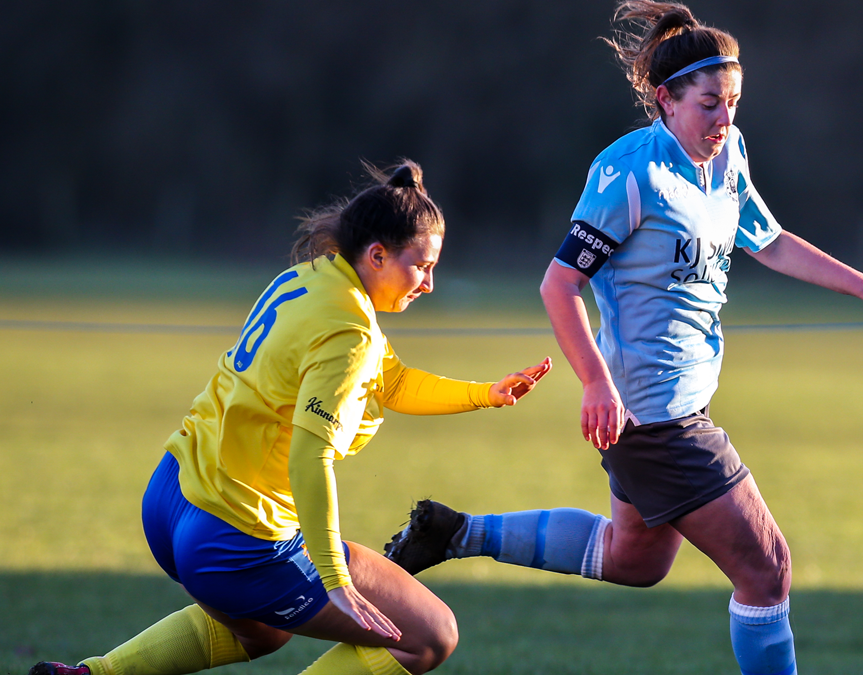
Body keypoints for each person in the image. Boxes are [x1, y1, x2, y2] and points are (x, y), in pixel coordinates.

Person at [383, 3, 863, 675]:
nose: (724, 119)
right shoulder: (630, 174)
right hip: (655, 416)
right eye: (709, 104)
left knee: (634, 558)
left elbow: (771, 241)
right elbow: (558, 285)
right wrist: (595, 381)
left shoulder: (727, 155)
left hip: (679, 405)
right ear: (665, 100)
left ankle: (456, 530)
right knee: (767, 571)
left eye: (733, 103)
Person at [31, 159, 552, 675]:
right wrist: (334, 578)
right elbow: (310, 454)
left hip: (172, 497)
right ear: (377, 254)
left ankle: (91, 674)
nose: (430, 284)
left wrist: (486, 393)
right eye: (422, 266)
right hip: (235, 537)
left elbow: (392, 381)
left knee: (262, 632)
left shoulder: (308, 281)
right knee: (432, 635)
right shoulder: (350, 331)